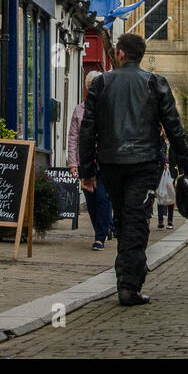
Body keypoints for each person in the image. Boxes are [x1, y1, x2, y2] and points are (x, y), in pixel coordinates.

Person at [79, 32, 188, 306]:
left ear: (120, 54)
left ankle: (127, 280)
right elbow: (174, 127)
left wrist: (87, 171)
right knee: (134, 222)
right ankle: (129, 286)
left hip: (110, 163)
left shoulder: (101, 83)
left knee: (123, 219)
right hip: (144, 164)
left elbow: (88, 130)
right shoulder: (155, 83)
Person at [68, 69, 114, 251]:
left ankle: (100, 237)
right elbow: (73, 138)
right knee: (92, 200)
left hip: (104, 162)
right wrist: (73, 163)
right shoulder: (80, 110)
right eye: (91, 86)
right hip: (86, 163)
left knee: (102, 198)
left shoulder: (108, 110)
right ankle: (101, 229)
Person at [156, 135, 176, 230]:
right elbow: (158, 153)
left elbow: (179, 157)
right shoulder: (159, 141)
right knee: (161, 195)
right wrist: (164, 162)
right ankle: (160, 220)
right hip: (160, 172)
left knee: (171, 196)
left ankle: (170, 220)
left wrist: (182, 172)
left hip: (171, 173)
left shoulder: (174, 142)